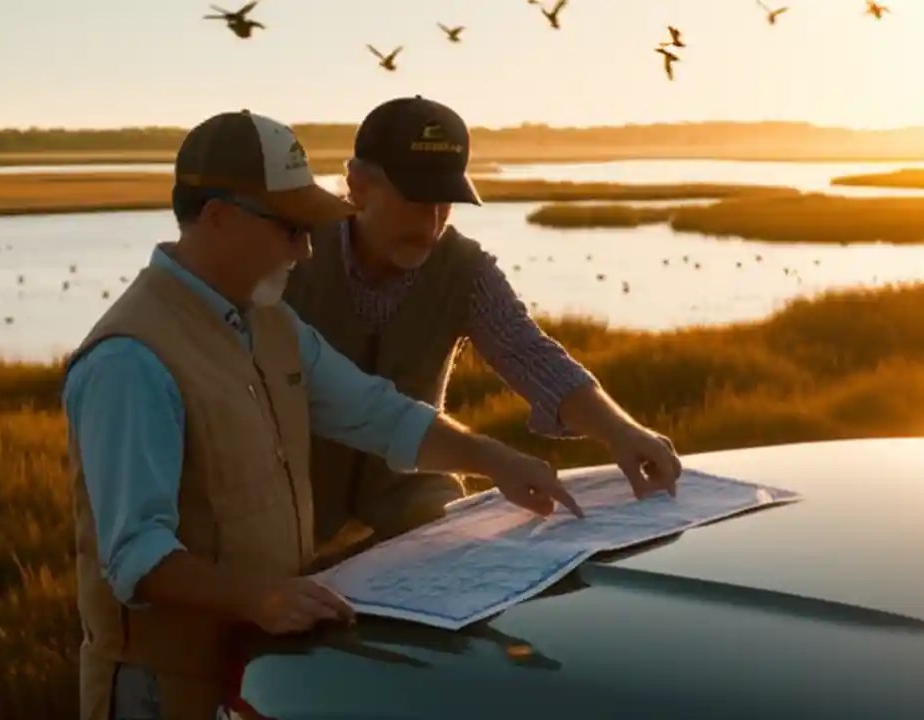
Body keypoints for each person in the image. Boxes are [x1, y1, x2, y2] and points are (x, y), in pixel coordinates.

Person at [63, 109, 585, 720]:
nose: (306, 249)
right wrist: (261, 598)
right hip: (161, 686)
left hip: (253, 668)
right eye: (290, 228)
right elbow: (136, 556)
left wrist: (497, 460)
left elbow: (378, 414)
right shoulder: (131, 359)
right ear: (218, 217)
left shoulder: (269, 322)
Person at [283, 95, 684, 554]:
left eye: (446, 202)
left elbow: (530, 354)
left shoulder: (464, 268)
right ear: (357, 184)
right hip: (293, 497)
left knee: (466, 555)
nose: (432, 223)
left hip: (415, 491)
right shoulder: (289, 252)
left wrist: (621, 431)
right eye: (416, 199)